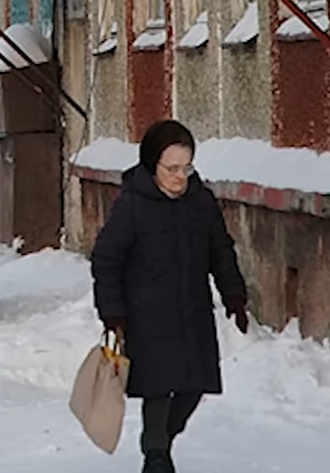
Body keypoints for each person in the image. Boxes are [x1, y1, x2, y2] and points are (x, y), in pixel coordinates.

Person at [90, 120, 249, 473]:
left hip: (192, 310)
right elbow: (106, 259)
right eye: (172, 168)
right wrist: (113, 313)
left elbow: (219, 250)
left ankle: (164, 440)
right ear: (152, 165)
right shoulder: (132, 205)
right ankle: (156, 455)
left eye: (187, 167)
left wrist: (233, 294)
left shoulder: (201, 201)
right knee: (159, 388)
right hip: (147, 315)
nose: (181, 176)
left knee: (195, 384)